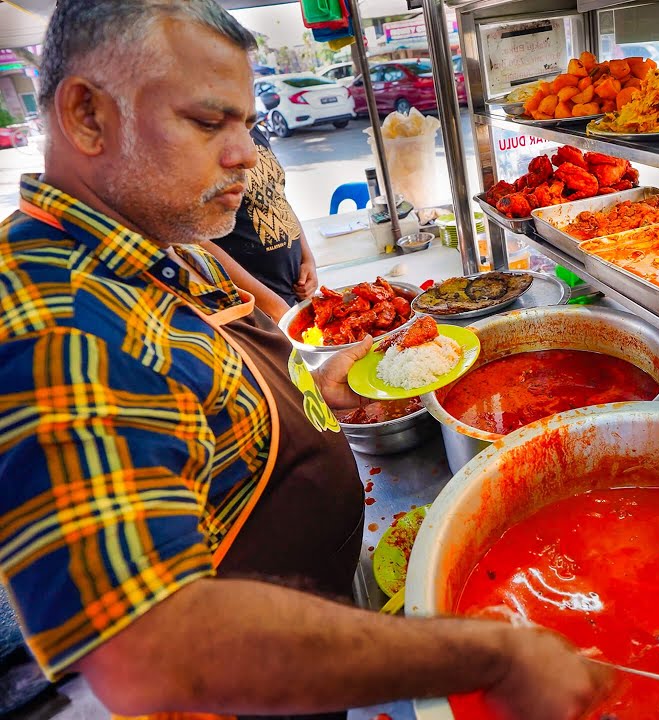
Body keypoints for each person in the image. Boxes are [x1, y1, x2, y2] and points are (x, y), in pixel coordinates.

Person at [0, 2, 606, 719]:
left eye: (246, 126)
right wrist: (494, 654)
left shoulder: (157, 247)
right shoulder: (58, 322)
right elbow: (154, 653)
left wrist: (319, 387)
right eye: (206, 122)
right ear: (87, 115)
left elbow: (206, 407)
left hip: (304, 644)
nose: (246, 156)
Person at [200, 122, 319, 323]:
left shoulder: (254, 129)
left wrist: (308, 260)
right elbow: (198, 240)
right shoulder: (204, 142)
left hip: (293, 295)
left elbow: (278, 198)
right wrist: (271, 304)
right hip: (257, 310)